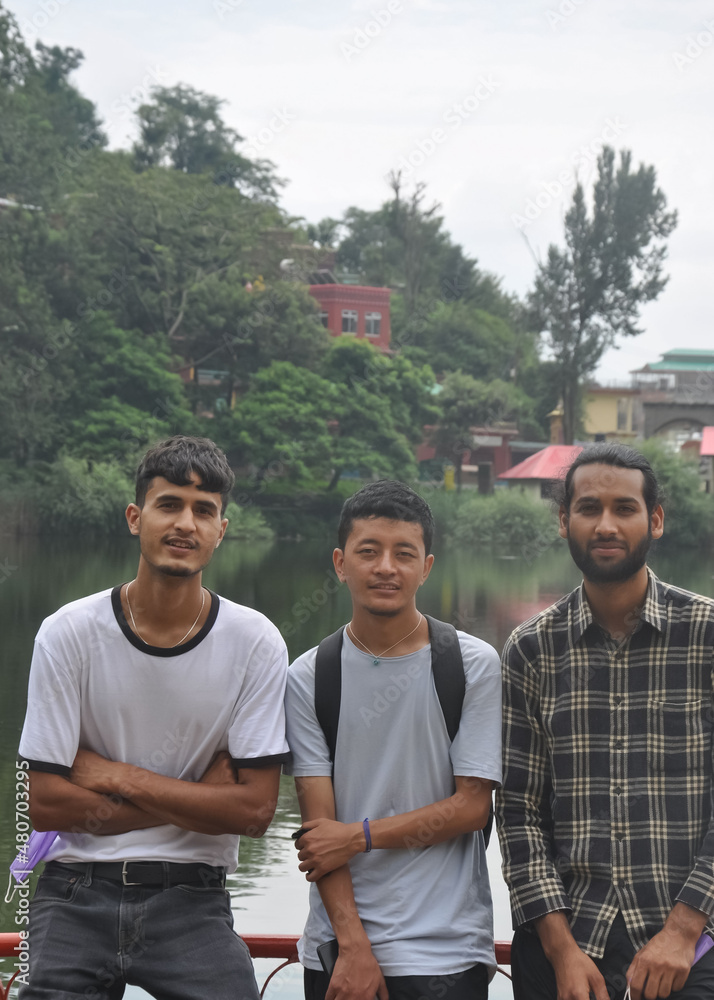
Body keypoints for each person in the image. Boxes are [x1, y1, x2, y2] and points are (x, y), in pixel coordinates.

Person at [18, 435, 290, 1000]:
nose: (185, 524)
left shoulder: (255, 641)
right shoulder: (68, 632)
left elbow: (255, 810)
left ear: (221, 530)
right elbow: (46, 805)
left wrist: (119, 776)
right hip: (74, 892)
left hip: (192, 898)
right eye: (169, 505)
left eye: (203, 510)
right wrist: (199, 800)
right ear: (135, 517)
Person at [497, 443, 714, 1000]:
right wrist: (560, 948)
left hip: (694, 943)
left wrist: (684, 929)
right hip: (566, 941)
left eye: (625, 508)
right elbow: (519, 811)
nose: (606, 525)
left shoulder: (706, 635)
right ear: (564, 521)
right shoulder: (531, 649)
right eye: (589, 508)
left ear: (656, 520)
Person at [284, 480, 502, 1000]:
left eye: (404, 554)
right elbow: (319, 832)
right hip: (339, 948)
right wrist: (354, 945)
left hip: (446, 950)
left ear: (426, 567)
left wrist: (359, 835)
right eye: (368, 552)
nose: (386, 567)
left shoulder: (471, 665)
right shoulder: (310, 676)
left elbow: (473, 808)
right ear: (340, 564)